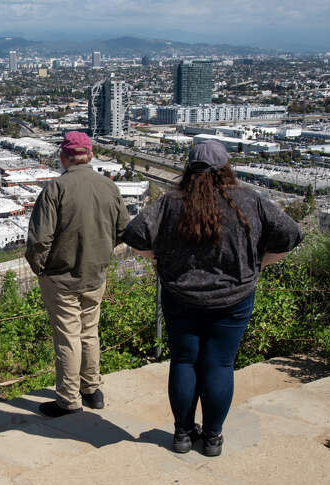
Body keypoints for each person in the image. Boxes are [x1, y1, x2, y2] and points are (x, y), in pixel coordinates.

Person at [122, 140, 302, 457]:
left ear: (189, 169)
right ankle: (212, 438)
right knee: (220, 363)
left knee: (183, 361)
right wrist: (260, 263)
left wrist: (159, 259)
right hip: (234, 297)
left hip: (180, 295)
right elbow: (290, 234)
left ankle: (182, 434)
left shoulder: (170, 203)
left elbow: (134, 234)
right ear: (226, 168)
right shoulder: (250, 201)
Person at [25, 131, 129, 417]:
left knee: (68, 337)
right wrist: (100, 254)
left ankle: (69, 400)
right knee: (89, 332)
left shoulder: (55, 189)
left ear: (63, 157)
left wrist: (40, 268)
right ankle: (92, 389)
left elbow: (39, 240)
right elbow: (124, 230)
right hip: (95, 275)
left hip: (61, 278)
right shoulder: (109, 187)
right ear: (90, 155)